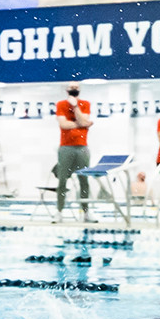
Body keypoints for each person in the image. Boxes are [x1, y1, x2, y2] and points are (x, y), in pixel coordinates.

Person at [54, 81, 94, 219]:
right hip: (65, 147)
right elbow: (63, 124)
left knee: (84, 180)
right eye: (72, 88)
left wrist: (75, 106)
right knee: (62, 181)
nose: (74, 89)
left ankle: (86, 212)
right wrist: (81, 123)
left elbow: (84, 121)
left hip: (82, 147)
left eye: (76, 88)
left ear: (79, 90)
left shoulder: (85, 104)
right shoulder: (60, 104)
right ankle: (59, 211)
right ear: (67, 90)